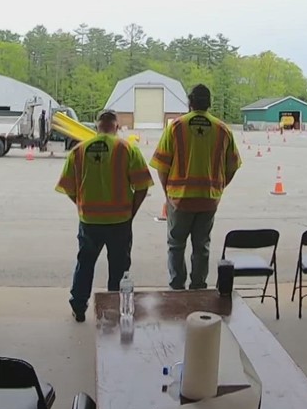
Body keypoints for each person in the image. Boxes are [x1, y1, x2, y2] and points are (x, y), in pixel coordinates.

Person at [56, 109, 153, 322]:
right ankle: (113, 309)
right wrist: (130, 213)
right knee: (119, 268)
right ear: (116, 126)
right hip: (120, 221)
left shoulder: (79, 151)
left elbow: (69, 188)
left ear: (96, 125)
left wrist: (83, 205)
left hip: (90, 221)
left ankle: (79, 306)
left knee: (85, 263)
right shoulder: (127, 149)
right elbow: (143, 186)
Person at [150, 84, 242, 290]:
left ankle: (177, 286)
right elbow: (233, 166)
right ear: (209, 103)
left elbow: (162, 165)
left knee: (176, 246)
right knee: (202, 247)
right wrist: (218, 187)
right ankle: (198, 286)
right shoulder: (222, 129)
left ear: (190, 102)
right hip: (208, 199)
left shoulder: (175, 127)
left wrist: (168, 192)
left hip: (179, 199)